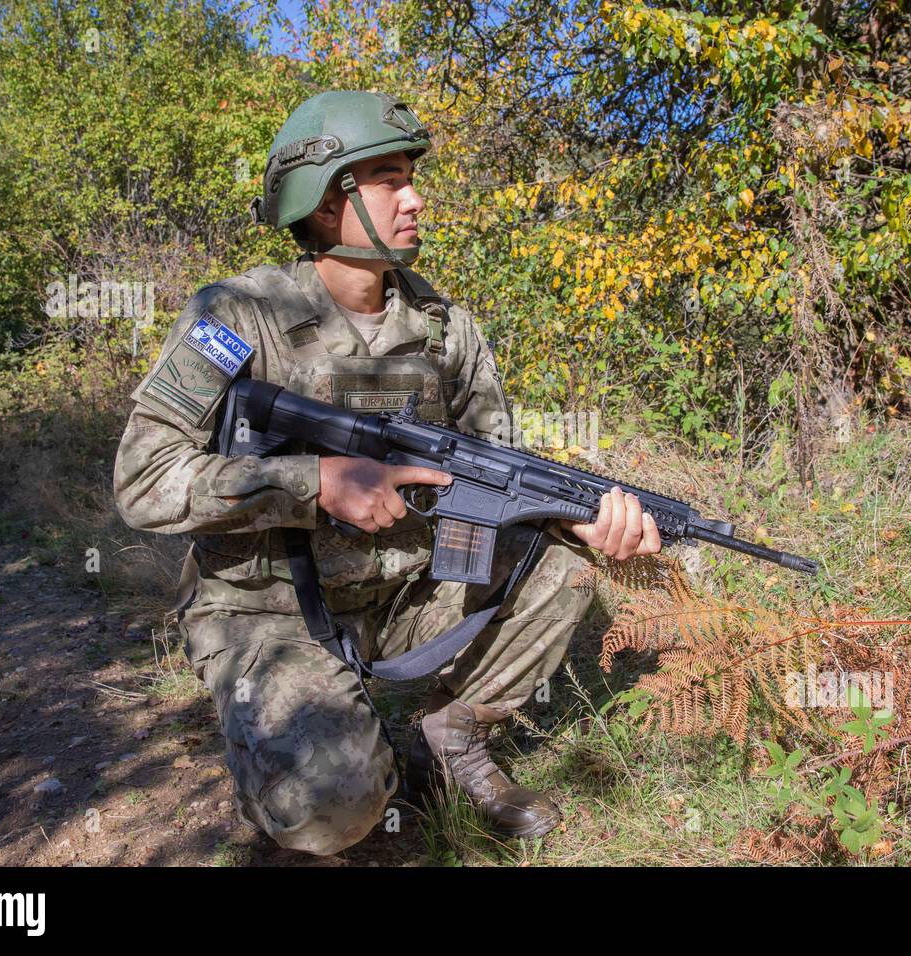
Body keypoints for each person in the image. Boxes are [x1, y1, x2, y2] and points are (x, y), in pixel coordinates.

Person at [113, 91, 661, 856]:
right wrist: (314, 484)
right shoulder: (236, 316)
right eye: (390, 180)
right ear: (328, 201)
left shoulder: (443, 327)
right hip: (266, 613)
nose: (416, 198)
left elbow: (495, 461)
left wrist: (573, 513)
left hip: (402, 589)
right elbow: (143, 478)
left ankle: (449, 739)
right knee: (330, 808)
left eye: (412, 178)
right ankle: (283, 751)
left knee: (561, 569)